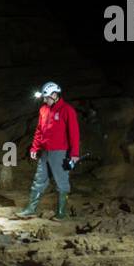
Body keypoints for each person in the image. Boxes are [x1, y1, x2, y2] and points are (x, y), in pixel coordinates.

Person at [17, 81, 80, 219]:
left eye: (47, 98)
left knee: (61, 181)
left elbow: (74, 133)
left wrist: (74, 153)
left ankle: (61, 213)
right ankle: (30, 209)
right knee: (39, 180)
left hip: (60, 152)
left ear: (55, 95)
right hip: (45, 152)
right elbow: (39, 131)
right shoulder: (43, 110)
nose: (45, 100)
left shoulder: (67, 110)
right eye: (44, 98)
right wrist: (35, 147)